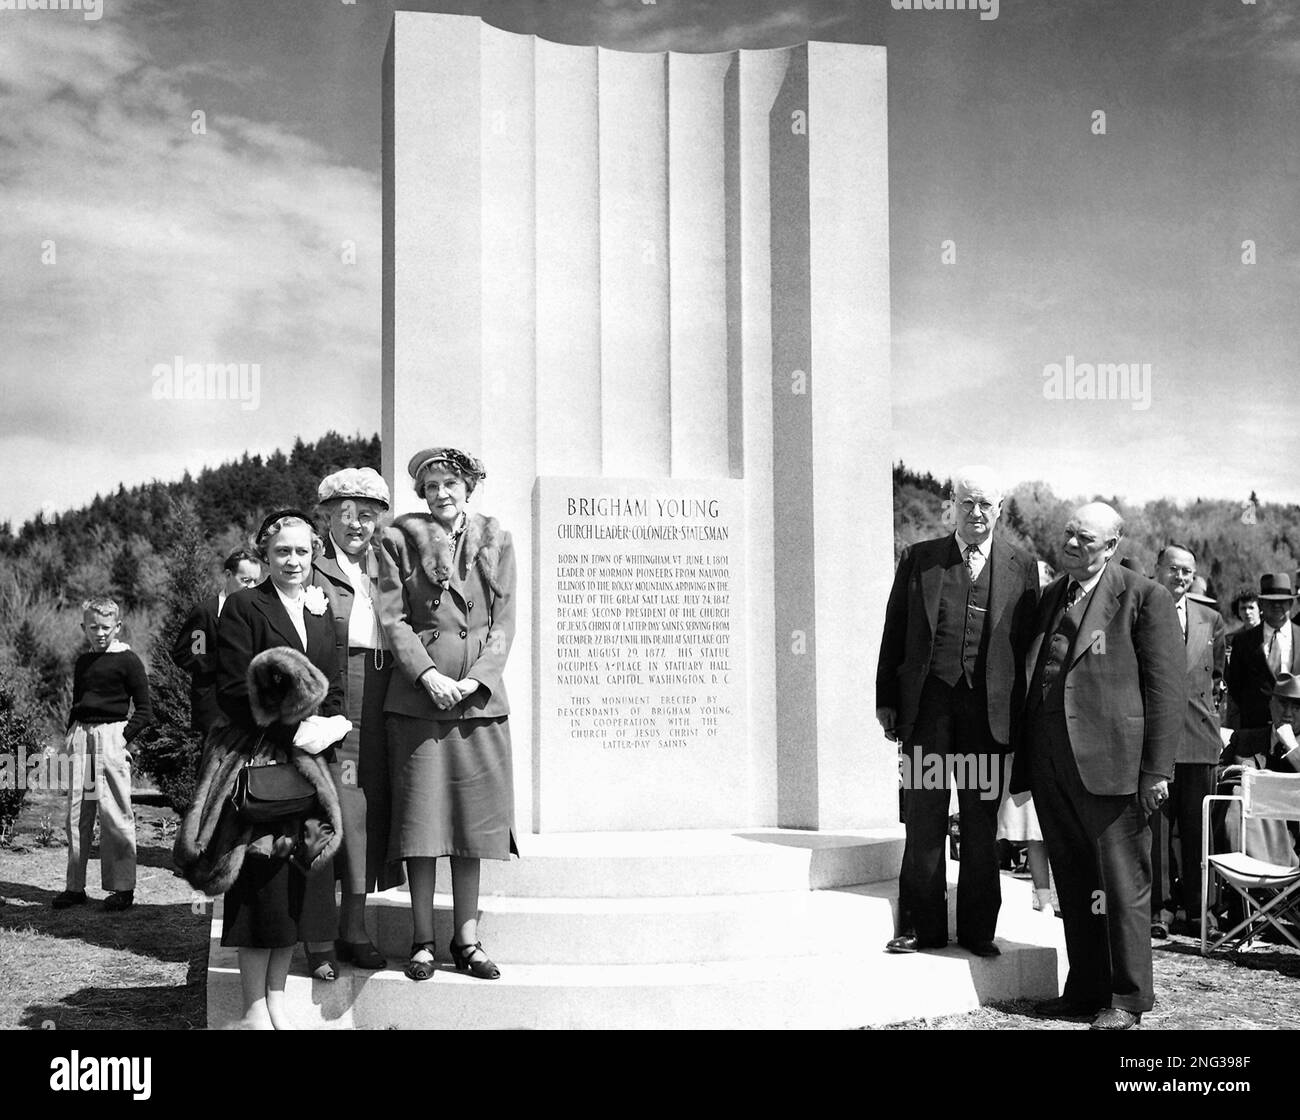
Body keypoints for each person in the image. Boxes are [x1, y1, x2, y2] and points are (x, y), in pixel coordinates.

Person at [175, 510, 349, 1028]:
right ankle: (252, 1007)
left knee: (298, 880)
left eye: (301, 552)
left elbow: (331, 680)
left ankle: (277, 998)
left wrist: (335, 723)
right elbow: (233, 689)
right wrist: (291, 732)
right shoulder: (246, 607)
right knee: (260, 883)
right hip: (262, 762)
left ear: (314, 553)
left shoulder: (321, 610)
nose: (293, 561)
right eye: (282, 552)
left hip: (310, 768)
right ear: (265, 555)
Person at [1013, 502, 1182, 1031]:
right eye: (1067, 534)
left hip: (1116, 770)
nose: (1071, 544)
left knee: (1123, 884)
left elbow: (1165, 691)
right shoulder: (1049, 597)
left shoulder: (1143, 597)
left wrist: (1157, 772)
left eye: (1084, 538)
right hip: (1052, 767)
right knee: (1075, 880)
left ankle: (1128, 999)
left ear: (1111, 546)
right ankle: (1085, 987)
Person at [875, 466, 1038, 956]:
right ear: (953, 505)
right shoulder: (920, 559)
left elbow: (1028, 648)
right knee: (923, 818)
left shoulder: (1020, 566)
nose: (977, 513)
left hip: (986, 719)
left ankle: (976, 932)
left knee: (980, 824)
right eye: (967, 503)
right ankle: (919, 927)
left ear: (1000, 509)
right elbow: (894, 632)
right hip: (928, 713)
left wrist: (1024, 720)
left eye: (986, 504)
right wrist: (886, 700)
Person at [377, 446, 519, 981]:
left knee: (471, 825)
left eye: (451, 484)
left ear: (469, 488)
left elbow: (505, 620)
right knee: (422, 825)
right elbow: (391, 618)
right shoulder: (394, 541)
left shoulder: (498, 539)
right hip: (418, 702)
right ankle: (421, 940)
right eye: (432, 485)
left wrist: (475, 679)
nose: (441, 494)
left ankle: (467, 940)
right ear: (421, 492)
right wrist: (427, 675)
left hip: (478, 706)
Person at [302, 467, 404, 970]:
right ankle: (323, 937)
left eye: (368, 515)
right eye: (346, 515)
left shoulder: (391, 567)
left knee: (372, 810)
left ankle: (354, 924)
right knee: (334, 813)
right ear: (326, 519)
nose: (357, 525)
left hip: (388, 698)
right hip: (339, 700)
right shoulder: (312, 569)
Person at [52, 595, 154, 911]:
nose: (100, 632)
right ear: (84, 627)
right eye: (93, 627)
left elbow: (145, 711)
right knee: (77, 815)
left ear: (117, 626)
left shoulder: (128, 660)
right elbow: (77, 702)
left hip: (111, 736)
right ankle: (75, 887)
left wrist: (120, 739)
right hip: (80, 737)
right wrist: (69, 737)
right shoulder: (83, 662)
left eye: (106, 627)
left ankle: (122, 888)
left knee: (115, 814)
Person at [1149, 544, 1225, 939]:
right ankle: (1159, 909)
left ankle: (1199, 909)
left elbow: (1216, 682)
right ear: (1156, 569)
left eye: (1188, 572)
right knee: (1157, 832)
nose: (1181, 578)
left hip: (1198, 739)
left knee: (1199, 830)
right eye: (1174, 569)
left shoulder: (1210, 618)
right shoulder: (1140, 610)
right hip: (1154, 741)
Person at [171, 549, 262, 735]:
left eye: (255, 581)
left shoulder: (259, 613)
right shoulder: (206, 612)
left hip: (250, 704)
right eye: (245, 580)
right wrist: (225, 661)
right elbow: (189, 654)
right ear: (228, 575)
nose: (251, 587)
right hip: (214, 706)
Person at [1226, 574, 1300, 730]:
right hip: (1255, 732)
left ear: (1291, 603)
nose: (1276, 606)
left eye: (1282, 601)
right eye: (1271, 601)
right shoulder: (1243, 642)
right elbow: (1235, 689)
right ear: (1261, 604)